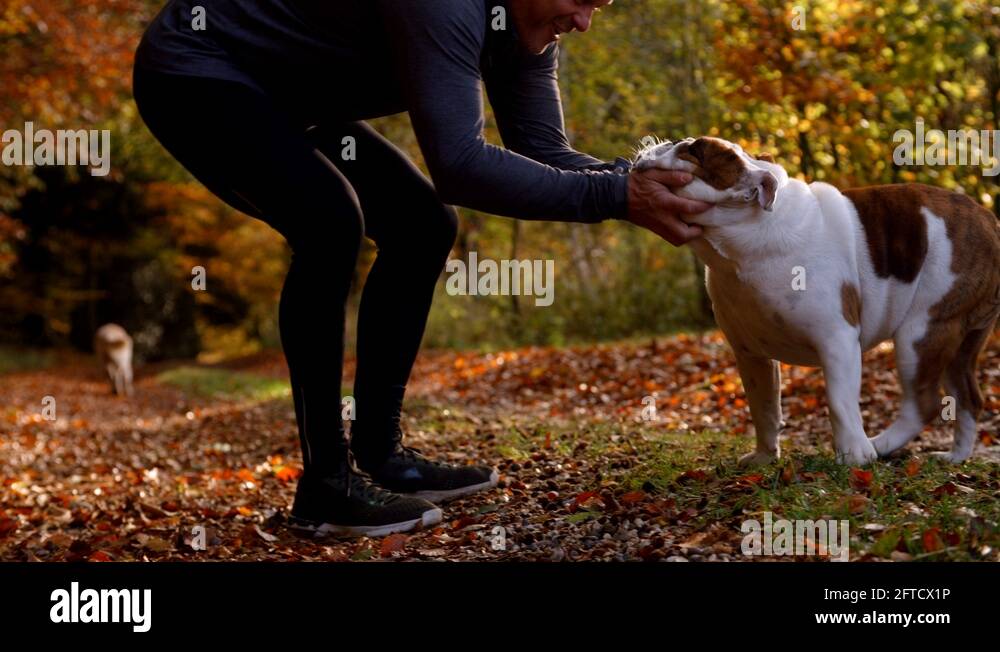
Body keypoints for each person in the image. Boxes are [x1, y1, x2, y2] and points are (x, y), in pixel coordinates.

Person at [132, 0, 710, 537]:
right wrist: (620, 197)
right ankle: (326, 487)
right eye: (582, 0)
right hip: (199, 71)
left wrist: (642, 183)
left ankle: (382, 453)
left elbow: (547, 155)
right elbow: (459, 166)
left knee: (424, 223)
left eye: (598, 8)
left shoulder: (526, 36)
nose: (584, 21)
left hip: (288, 96)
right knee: (331, 222)